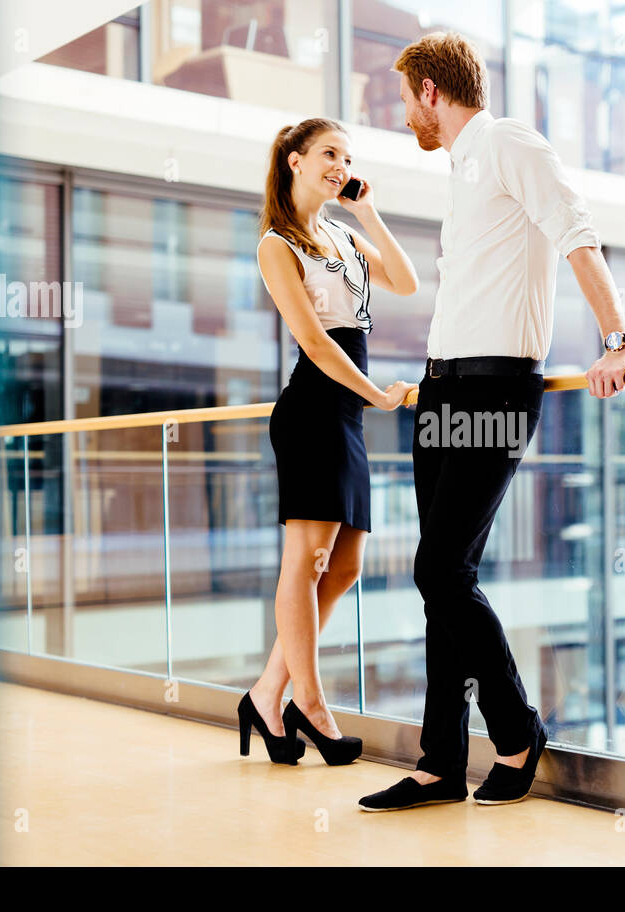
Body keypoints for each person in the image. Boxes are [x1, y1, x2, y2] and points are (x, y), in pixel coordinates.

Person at [358, 33, 625, 811]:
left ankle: (516, 733)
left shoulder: (509, 142)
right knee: (444, 581)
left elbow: (577, 231)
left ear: (430, 92)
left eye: (404, 96)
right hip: (443, 390)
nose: (403, 110)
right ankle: (440, 762)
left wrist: (616, 339)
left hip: (495, 393)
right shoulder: (462, 170)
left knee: (439, 572)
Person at [240, 117, 419, 767]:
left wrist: (368, 212)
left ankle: (265, 692)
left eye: (346, 156)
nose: (340, 165)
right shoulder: (276, 245)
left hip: (346, 415)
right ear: (293, 161)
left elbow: (405, 282)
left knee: (344, 567)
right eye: (328, 154)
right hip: (315, 409)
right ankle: (308, 705)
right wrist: (375, 392)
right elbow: (314, 342)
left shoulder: (342, 234)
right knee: (307, 563)